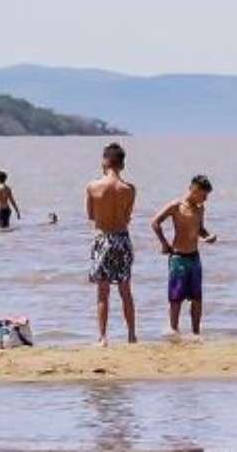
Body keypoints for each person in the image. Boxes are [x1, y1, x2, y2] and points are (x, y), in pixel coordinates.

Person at [151, 175, 218, 338]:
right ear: (194, 190)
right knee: (176, 298)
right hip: (178, 257)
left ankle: (196, 333)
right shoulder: (176, 206)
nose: (205, 199)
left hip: (194, 257)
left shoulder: (200, 208)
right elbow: (155, 222)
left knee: (197, 298)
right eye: (204, 195)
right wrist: (164, 244)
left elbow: (200, 228)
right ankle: (174, 331)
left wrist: (207, 236)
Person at [86, 142, 137, 346]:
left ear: (105, 162)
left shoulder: (93, 186)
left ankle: (103, 337)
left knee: (103, 292)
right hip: (123, 238)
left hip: (103, 238)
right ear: (122, 164)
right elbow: (127, 216)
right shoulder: (130, 189)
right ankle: (131, 335)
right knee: (125, 290)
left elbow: (91, 215)